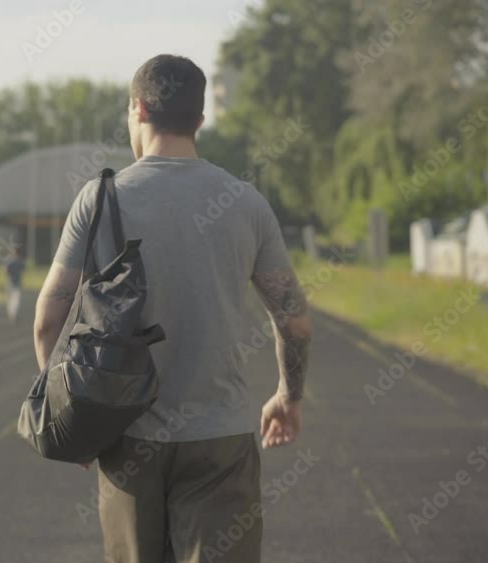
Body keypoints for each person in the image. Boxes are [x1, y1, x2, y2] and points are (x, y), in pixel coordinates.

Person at [33, 54, 312, 563]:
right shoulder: (246, 202)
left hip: (126, 434)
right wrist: (288, 397)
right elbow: (293, 320)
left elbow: (48, 319)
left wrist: (78, 418)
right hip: (221, 438)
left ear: (138, 108)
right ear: (200, 119)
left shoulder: (99, 199)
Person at [5, 250, 25, 323]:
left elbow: (6, 271)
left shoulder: (10, 262)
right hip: (16, 283)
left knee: (10, 300)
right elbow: (23, 270)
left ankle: (11, 314)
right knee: (15, 300)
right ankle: (13, 314)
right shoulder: (20, 262)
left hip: (10, 283)